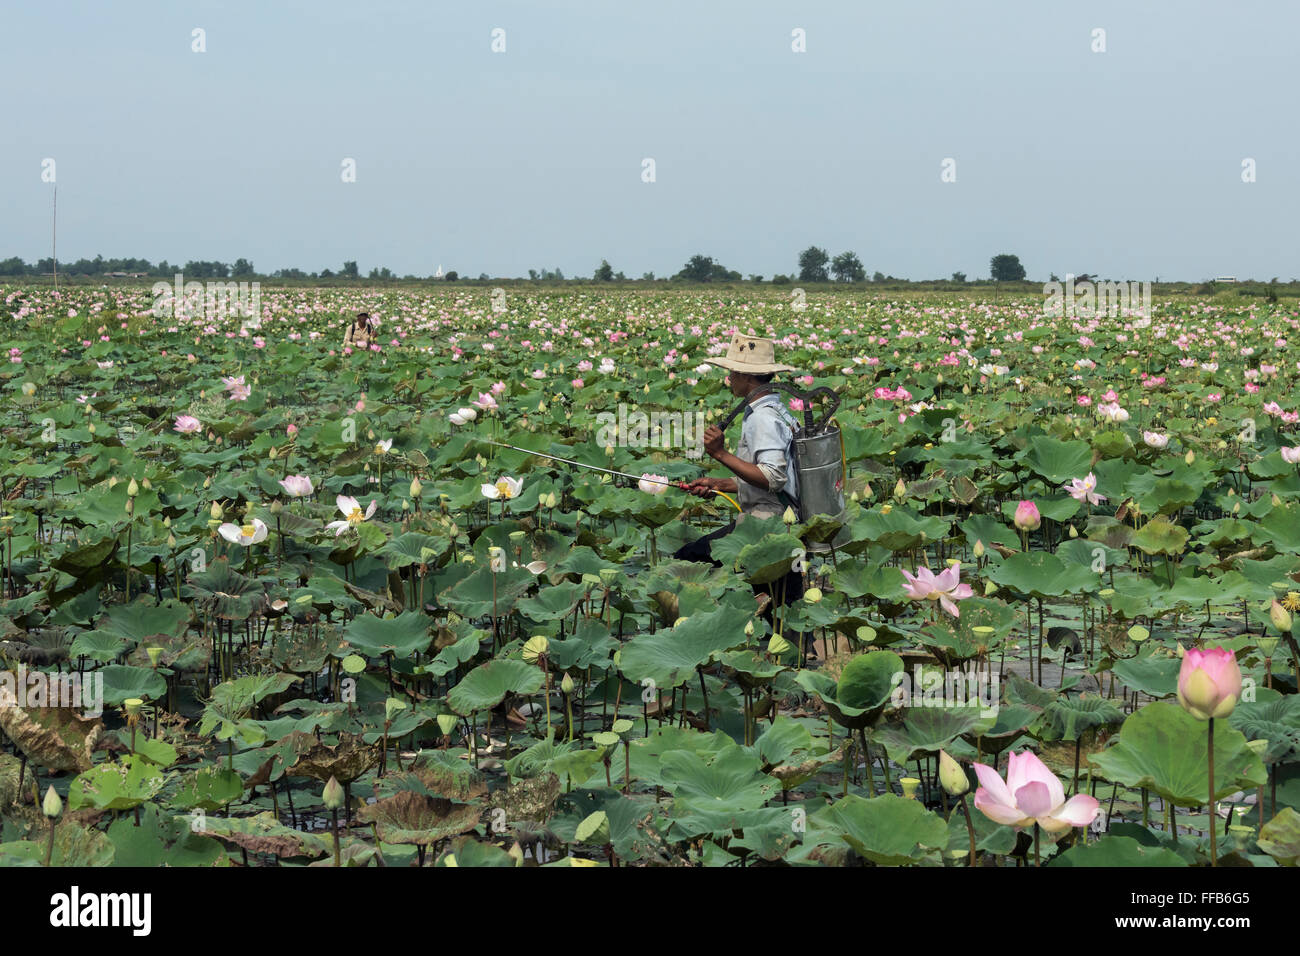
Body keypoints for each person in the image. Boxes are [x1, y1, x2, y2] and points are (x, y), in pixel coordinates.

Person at [674, 334, 813, 657]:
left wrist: (720, 453)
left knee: (687, 560)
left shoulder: (763, 418)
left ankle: (702, 645)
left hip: (766, 527)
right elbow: (772, 477)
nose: (729, 378)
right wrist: (719, 483)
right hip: (784, 525)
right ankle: (793, 667)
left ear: (747, 377)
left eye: (733, 372)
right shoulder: (777, 410)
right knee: (783, 605)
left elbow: (773, 478)